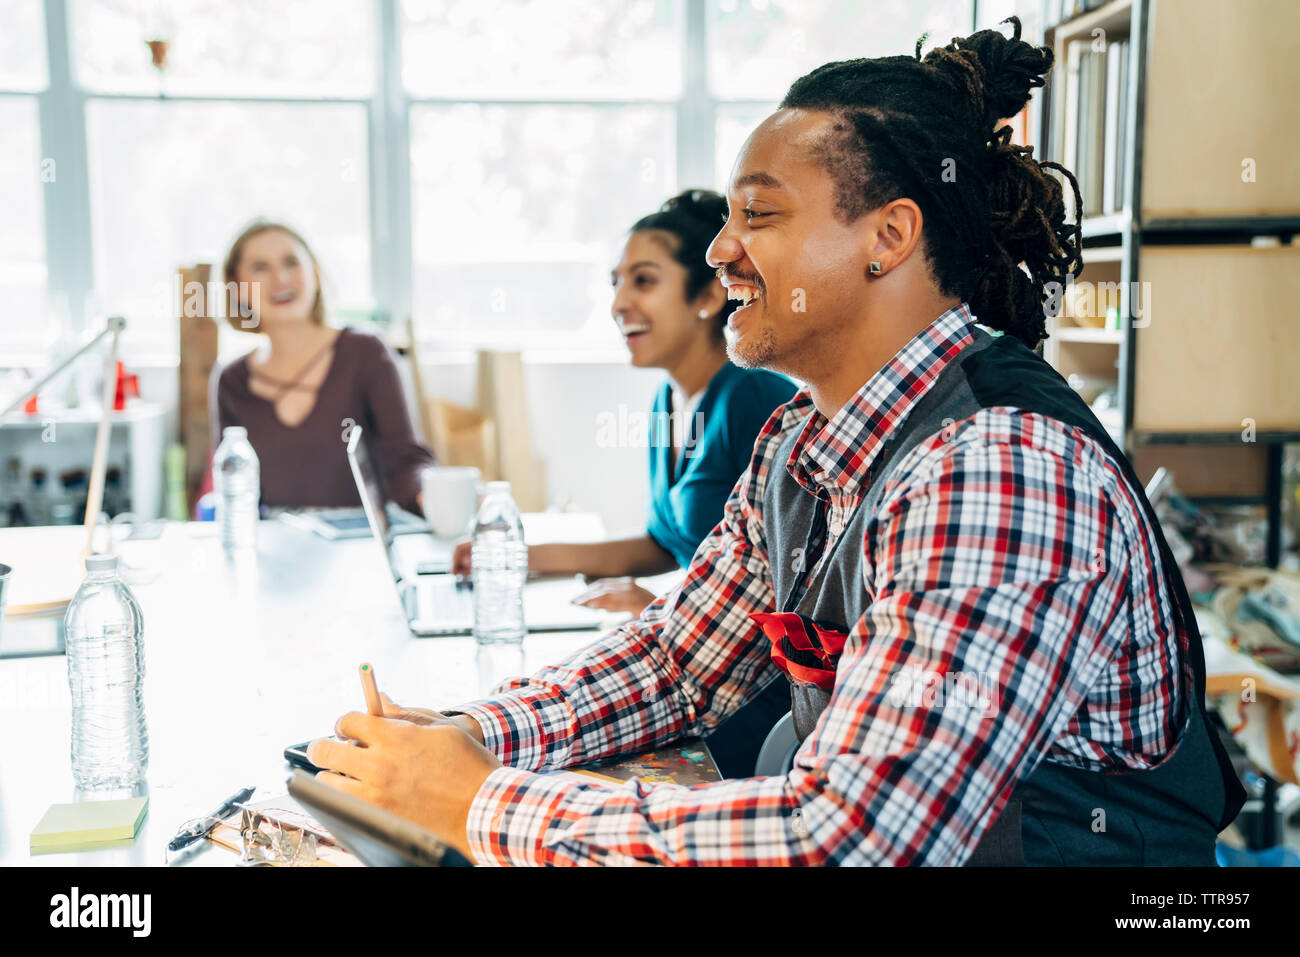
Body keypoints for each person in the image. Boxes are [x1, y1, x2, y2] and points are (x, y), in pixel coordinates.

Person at [308, 18, 1244, 865]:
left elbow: (856, 842)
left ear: (888, 237)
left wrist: (480, 802)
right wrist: (472, 735)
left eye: (757, 215)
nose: (720, 251)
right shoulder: (801, 445)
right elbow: (678, 663)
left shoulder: (1000, 467)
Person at [452, 190, 796, 620]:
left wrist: (658, 608)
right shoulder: (667, 401)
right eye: (616, 283)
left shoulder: (757, 401)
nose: (618, 304)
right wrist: (515, 555)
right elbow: (663, 544)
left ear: (708, 296)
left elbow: (788, 586)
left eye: (644, 280)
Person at [212, 221, 433, 514]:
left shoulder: (366, 353)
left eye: (291, 262)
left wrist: (433, 495)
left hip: (360, 547)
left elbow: (407, 463)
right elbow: (235, 489)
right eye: (260, 268)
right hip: (279, 551)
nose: (280, 278)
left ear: (314, 273)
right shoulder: (232, 381)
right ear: (237, 288)